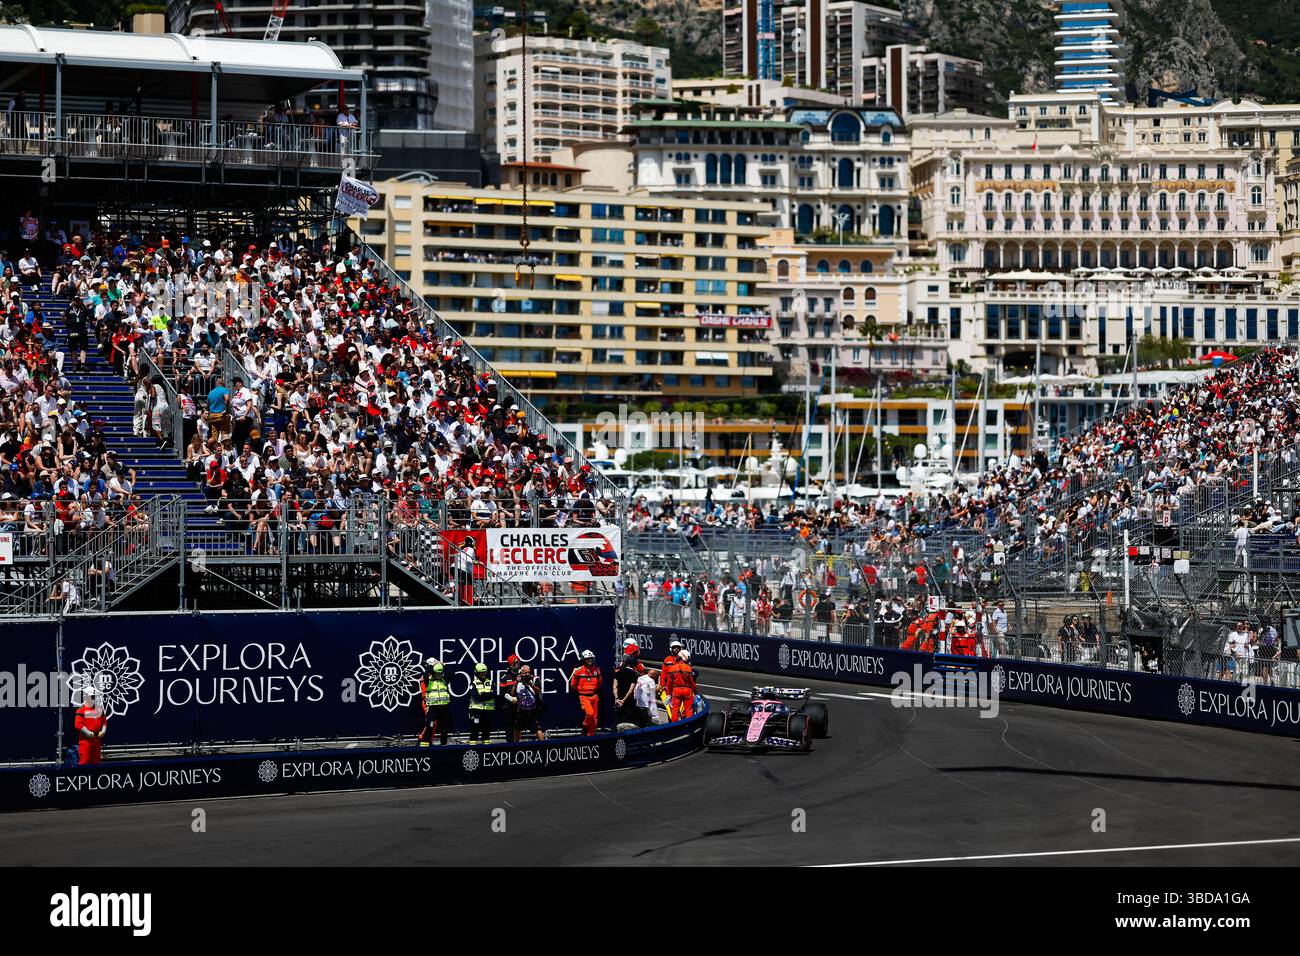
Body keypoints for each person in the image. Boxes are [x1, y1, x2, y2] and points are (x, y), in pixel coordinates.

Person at [569, 649, 603, 736]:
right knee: (590, 714)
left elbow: (600, 683)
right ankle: (584, 728)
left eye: (591, 658)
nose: (590, 660)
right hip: (584, 696)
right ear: (583, 660)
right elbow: (573, 685)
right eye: (588, 659)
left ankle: (590, 737)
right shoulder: (578, 671)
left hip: (595, 696)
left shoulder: (597, 670)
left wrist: (593, 689)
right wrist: (583, 690)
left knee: (595, 719)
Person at [419, 658, 452, 746]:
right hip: (432, 707)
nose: (439, 674)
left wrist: (442, 665)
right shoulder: (428, 680)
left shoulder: (444, 680)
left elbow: (452, 674)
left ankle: (443, 745)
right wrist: (432, 666)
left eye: (441, 673)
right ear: (433, 672)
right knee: (430, 725)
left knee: (444, 728)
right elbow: (425, 674)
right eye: (437, 673)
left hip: (444, 708)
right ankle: (424, 741)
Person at [509, 665, 545, 741]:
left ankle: (543, 745)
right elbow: (512, 693)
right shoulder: (518, 680)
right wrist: (516, 683)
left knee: (537, 728)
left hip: (533, 709)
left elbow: (538, 691)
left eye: (528, 672)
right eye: (525, 673)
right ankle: (516, 745)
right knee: (517, 728)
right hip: (522, 708)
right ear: (521, 673)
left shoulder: (535, 679)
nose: (527, 674)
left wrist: (531, 685)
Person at [663, 648, 697, 721]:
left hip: (676, 690)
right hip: (688, 691)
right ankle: (689, 726)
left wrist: (668, 694)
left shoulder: (672, 668)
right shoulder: (689, 668)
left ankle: (674, 727)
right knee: (688, 709)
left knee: (675, 710)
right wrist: (695, 690)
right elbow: (692, 682)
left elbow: (669, 683)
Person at [75, 687, 106, 765]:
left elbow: (104, 722)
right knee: (84, 762)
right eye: (91, 696)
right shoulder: (81, 710)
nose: (93, 698)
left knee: (96, 762)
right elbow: (78, 724)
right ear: (85, 696)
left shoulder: (100, 709)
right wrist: (88, 733)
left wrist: (103, 731)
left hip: (97, 740)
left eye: (94, 696)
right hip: (85, 741)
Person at [468, 662, 495, 745]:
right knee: (475, 728)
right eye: (481, 673)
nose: (483, 674)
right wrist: (488, 694)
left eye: (485, 672)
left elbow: (494, 694)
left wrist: (482, 694)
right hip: (476, 710)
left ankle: (486, 745)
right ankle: (473, 746)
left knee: (486, 729)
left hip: (488, 710)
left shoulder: (491, 682)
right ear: (477, 673)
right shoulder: (473, 683)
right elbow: (476, 697)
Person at [612, 653, 641, 727]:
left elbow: (615, 687)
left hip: (618, 700)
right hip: (629, 701)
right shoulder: (634, 674)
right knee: (629, 722)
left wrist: (617, 699)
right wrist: (624, 700)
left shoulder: (618, 673)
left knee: (618, 719)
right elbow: (631, 690)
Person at [499, 653, 522, 741]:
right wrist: (511, 699)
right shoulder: (505, 677)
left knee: (519, 726)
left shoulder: (521, 676)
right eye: (514, 663)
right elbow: (501, 692)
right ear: (510, 665)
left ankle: (518, 743)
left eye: (518, 663)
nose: (517, 665)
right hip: (509, 706)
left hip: (521, 705)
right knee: (509, 727)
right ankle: (510, 745)